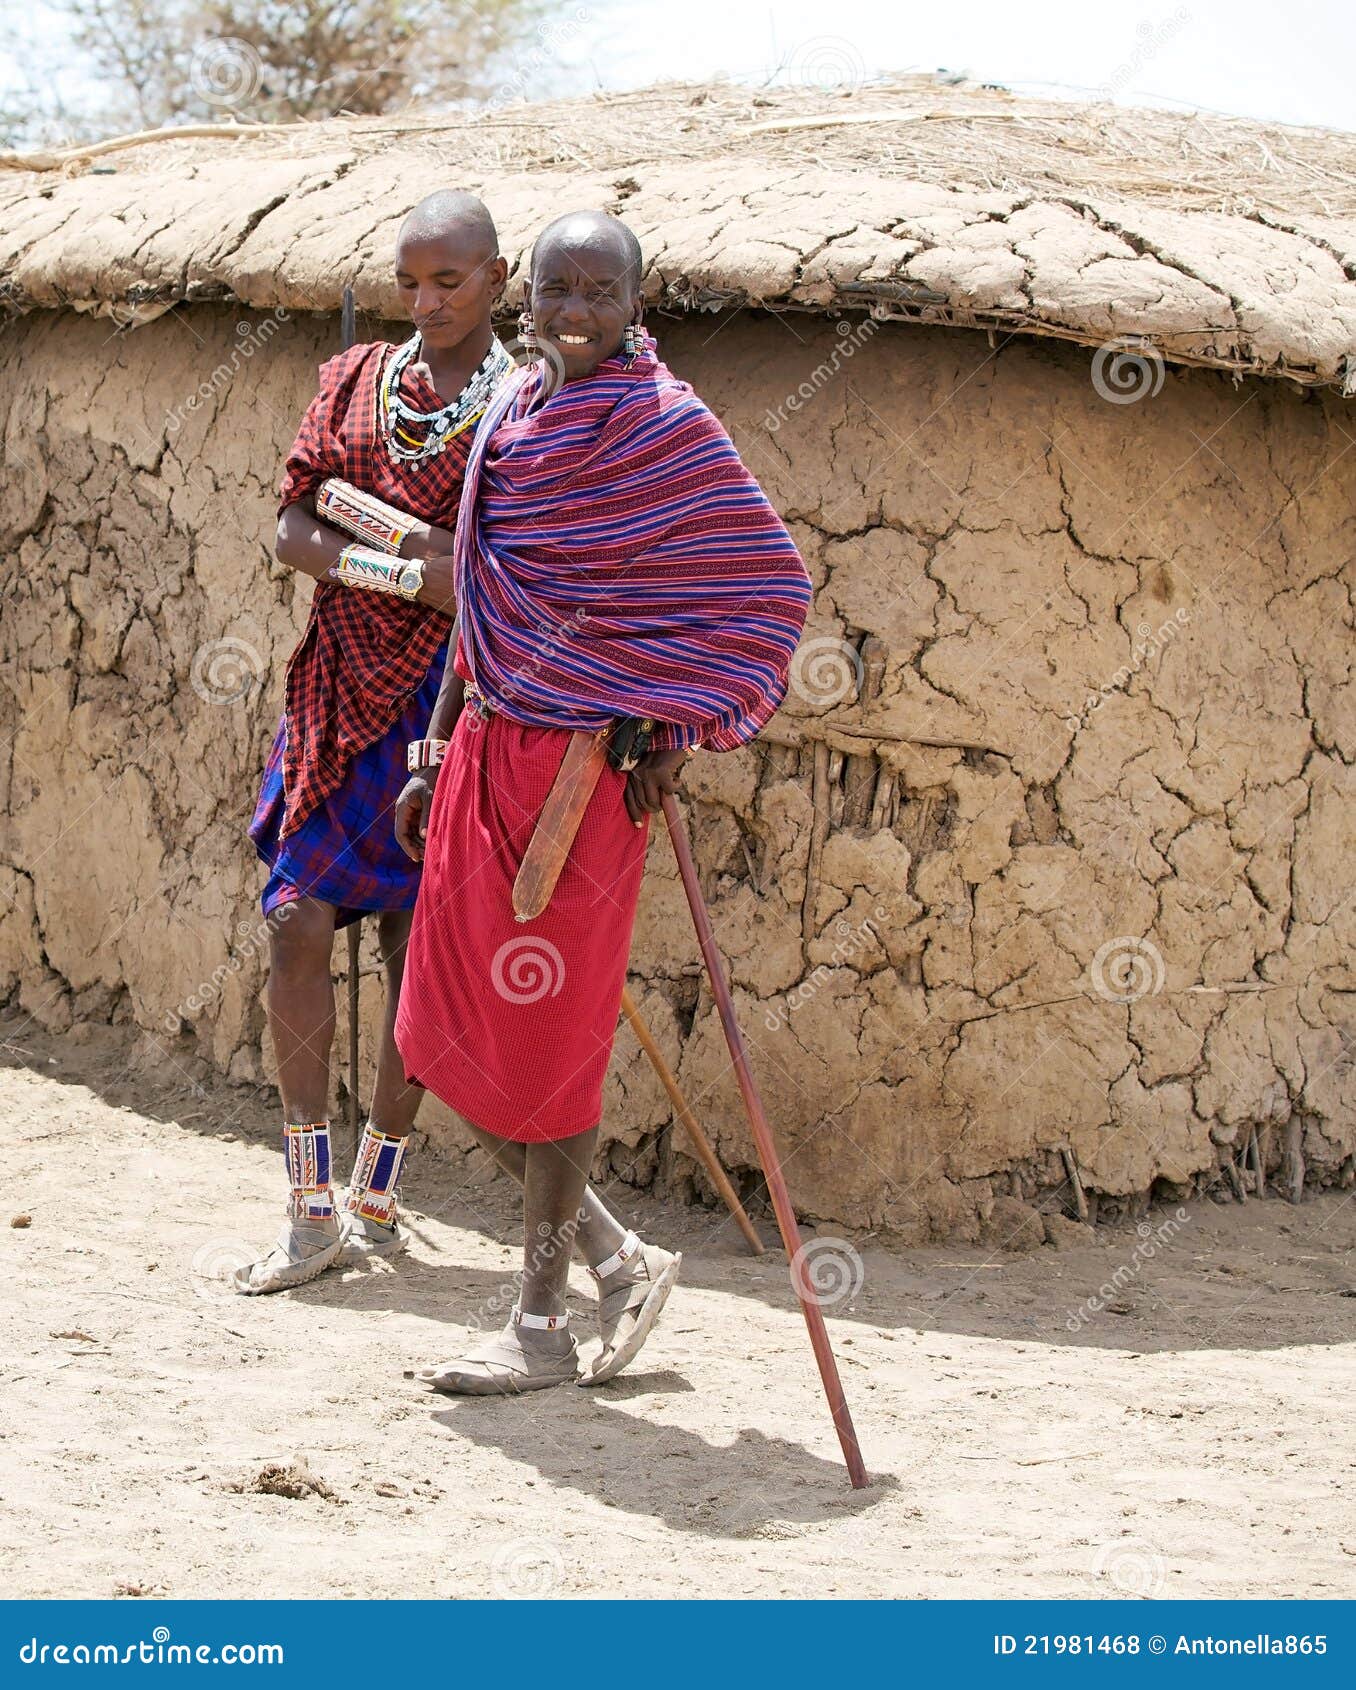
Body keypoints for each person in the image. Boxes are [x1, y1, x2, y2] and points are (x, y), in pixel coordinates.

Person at [387, 210, 812, 1391]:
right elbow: (483, 598)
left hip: (584, 777)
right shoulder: (513, 413)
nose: (576, 313)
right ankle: (615, 1258)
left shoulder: (667, 430)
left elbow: (768, 591)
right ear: (522, 299)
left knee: (553, 1047)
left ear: (638, 306)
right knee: (436, 1034)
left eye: (600, 293)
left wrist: (672, 718)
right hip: (482, 754)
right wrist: (430, 751)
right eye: (556, 291)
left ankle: (537, 1324)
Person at [234, 190, 510, 1295]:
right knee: (297, 919)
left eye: (448, 281)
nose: (425, 301)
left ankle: (379, 1190)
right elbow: (294, 523)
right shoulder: (354, 384)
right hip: (336, 687)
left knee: (415, 959)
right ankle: (308, 1203)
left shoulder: (527, 407)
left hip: (446, 709)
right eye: (409, 282)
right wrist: (407, 564)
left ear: (498, 278)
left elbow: (500, 573)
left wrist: (414, 547)